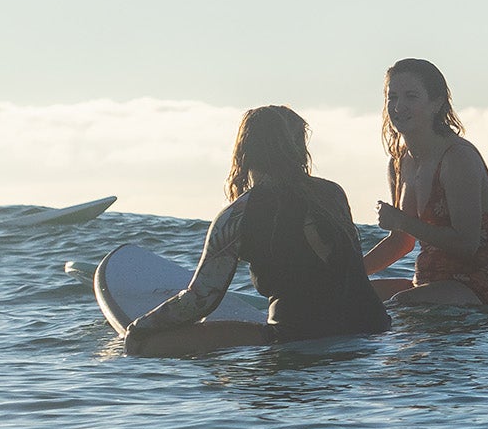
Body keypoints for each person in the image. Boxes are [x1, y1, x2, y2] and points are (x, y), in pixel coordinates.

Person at [122, 105, 394, 352]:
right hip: (373, 327)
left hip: (296, 338)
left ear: (244, 151)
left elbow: (202, 299)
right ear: (300, 149)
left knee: (147, 346)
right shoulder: (333, 193)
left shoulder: (237, 216)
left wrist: (141, 326)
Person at [362, 57, 488, 306]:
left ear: (436, 103)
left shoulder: (458, 158)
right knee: (345, 298)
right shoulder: (398, 162)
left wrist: (403, 221)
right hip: (425, 283)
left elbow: (467, 243)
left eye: (411, 97)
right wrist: (346, 275)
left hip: (473, 288)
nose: (398, 107)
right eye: (392, 97)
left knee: (402, 303)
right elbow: (402, 242)